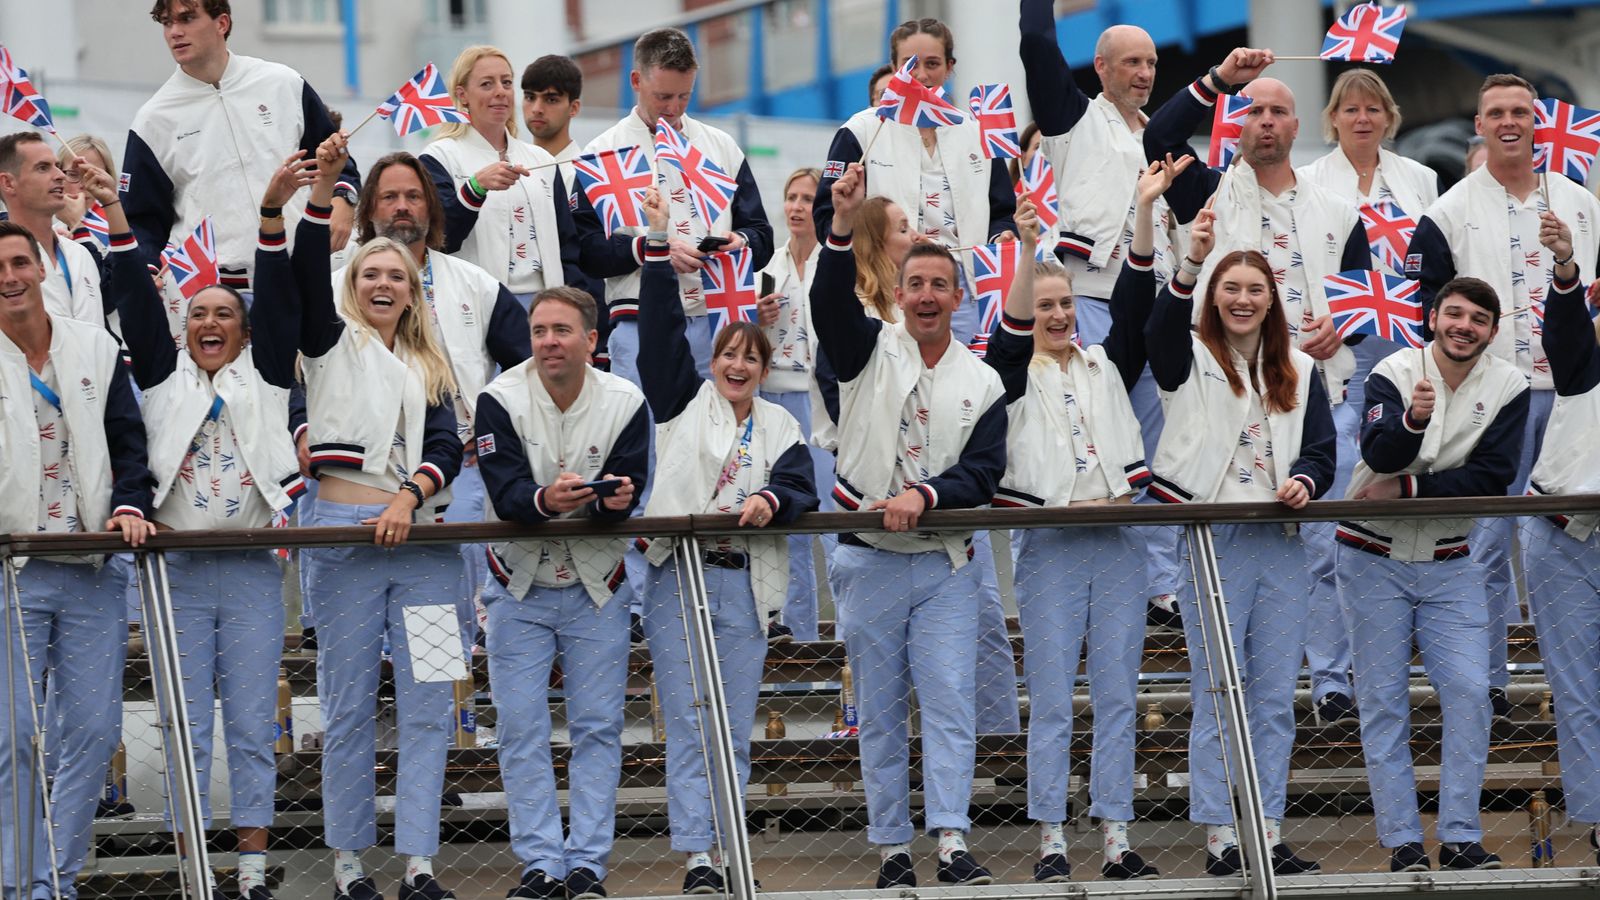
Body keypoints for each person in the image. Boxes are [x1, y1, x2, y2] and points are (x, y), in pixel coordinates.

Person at [259, 132, 464, 900]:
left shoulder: (432, 361)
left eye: (396, 275)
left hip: (432, 549)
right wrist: (316, 200)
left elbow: (446, 441)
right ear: (353, 287)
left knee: (433, 703)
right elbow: (304, 278)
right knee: (345, 707)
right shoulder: (332, 344)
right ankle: (349, 863)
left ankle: (419, 862)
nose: (383, 283)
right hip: (342, 544)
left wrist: (412, 496)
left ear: (412, 290)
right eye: (369, 273)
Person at [102, 149, 309, 900]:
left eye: (225, 312)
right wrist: (119, 215)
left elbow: (283, 297)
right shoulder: (159, 377)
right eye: (199, 313)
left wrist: (271, 213)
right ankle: (195, 869)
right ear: (182, 328)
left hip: (254, 572)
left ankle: (251, 872)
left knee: (253, 724)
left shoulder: (266, 374)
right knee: (182, 724)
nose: (211, 321)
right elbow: (130, 287)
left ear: (244, 331)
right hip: (177, 576)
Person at [813, 162, 1007, 888]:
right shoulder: (864, 348)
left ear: (958, 298)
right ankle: (894, 848)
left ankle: (952, 841)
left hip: (945, 564)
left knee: (950, 702)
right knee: (883, 713)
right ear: (899, 291)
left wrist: (924, 494)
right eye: (915, 284)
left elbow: (983, 474)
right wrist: (840, 222)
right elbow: (829, 300)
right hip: (869, 558)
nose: (926, 296)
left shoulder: (983, 379)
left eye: (939, 286)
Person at [989, 161, 1183, 882]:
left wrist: (1140, 211)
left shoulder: (1104, 362)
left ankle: (1115, 835)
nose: (1061, 315)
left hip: (1120, 543)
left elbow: (1134, 305)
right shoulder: (1004, 375)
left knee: (1116, 696)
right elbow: (1009, 338)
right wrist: (1025, 251)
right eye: (1046, 306)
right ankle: (1049, 839)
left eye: (1066, 303)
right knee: (1050, 702)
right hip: (1051, 547)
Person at [636, 185, 818, 895]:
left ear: (765, 370)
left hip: (744, 584)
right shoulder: (680, 405)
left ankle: (731, 844)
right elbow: (656, 336)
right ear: (712, 360)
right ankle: (697, 858)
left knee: (732, 721)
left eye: (751, 358)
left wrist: (772, 497)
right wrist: (657, 249)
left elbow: (801, 488)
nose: (738, 366)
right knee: (688, 719)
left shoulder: (781, 427)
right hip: (680, 579)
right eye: (728, 354)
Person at [1144, 208, 1335, 877]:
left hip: (1280, 541)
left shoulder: (1302, 370)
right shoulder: (1190, 359)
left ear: (1271, 301)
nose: (1244, 299)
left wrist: (1306, 481)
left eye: (1256, 289)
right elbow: (1157, 329)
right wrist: (1192, 261)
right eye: (1232, 288)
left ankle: (1270, 828)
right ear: (1213, 298)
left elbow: (1322, 452)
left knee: (1276, 694)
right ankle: (1222, 836)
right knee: (1218, 689)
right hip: (1213, 538)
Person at [1405, 73, 1600, 717]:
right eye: (1496, 113)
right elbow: (1421, 319)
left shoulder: (1581, 203)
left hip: (1576, 400)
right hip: (1491, 398)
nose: (1509, 121)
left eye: (1521, 111)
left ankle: (1564, 677)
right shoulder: (1447, 212)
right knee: (1483, 543)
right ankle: (1484, 684)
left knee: (1575, 537)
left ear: (1537, 122)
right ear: (1480, 125)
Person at [1335, 276, 1527, 873]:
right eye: (1453, 314)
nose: (1463, 326)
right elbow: (1380, 451)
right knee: (1383, 702)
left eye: (1477, 319)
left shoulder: (1511, 384)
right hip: (1371, 556)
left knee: (1471, 693)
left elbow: (1493, 477)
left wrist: (1411, 488)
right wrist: (1413, 423)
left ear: (1493, 331)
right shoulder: (1392, 370)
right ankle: (1404, 844)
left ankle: (1462, 837)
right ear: (1434, 317)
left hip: (1452, 562)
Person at [475, 286, 648, 900]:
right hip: (516, 585)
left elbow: (633, 489)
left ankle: (587, 866)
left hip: (597, 586)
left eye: (562, 330)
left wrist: (615, 503)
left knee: (598, 727)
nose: (549, 340)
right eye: (540, 329)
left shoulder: (626, 399)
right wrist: (547, 501)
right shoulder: (498, 398)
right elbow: (505, 493)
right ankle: (542, 864)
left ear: (591, 340)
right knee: (521, 728)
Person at [0, 216, 155, 900]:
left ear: (40, 269)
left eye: (18, 264)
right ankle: (19, 881)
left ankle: (54, 880)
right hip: (14, 572)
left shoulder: (93, 346)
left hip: (93, 569)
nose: (9, 279)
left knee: (93, 733)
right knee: (16, 741)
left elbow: (129, 442)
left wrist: (128, 503)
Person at [1018, 0, 1184, 628]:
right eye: (1132, 61)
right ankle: (1080, 584)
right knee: (1085, 439)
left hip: (1156, 302)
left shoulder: (1162, 135)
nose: (1144, 72)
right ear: (1102, 65)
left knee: (1158, 445)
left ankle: (1159, 585)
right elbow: (1036, 44)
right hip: (1089, 301)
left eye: (1152, 62)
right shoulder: (1073, 119)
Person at [337, 150, 533, 649]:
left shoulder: (473, 283)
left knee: (441, 625)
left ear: (432, 208)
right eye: (389, 197)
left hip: (454, 467)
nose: (402, 207)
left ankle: (445, 723)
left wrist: (493, 436)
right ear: (369, 210)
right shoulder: (336, 279)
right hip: (357, 475)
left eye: (413, 196)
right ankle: (378, 713)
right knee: (357, 637)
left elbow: (528, 368)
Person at [1296, 67, 1441, 726]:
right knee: (1330, 526)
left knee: (1399, 514)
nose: (1362, 118)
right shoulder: (1312, 182)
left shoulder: (1420, 181)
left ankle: (1392, 666)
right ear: (1333, 118)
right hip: (1339, 358)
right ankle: (1329, 675)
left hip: (1407, 357)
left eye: (1372, 108)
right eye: (1350, 108)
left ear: (1389, 115)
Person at [573, 26, 773, 386]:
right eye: (663, 96)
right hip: (640, 322)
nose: (673, 109)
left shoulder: (721, 147)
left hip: (719, 324)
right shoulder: (602, 153)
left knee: (721, 439)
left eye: (685, 96)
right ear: (636, 80)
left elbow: (762, 236)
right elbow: (586, 251)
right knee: (644, 439)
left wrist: (738, 243)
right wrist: (652, 249)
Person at [123, 0, 360, 289]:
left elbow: (336, 157)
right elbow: (141, 218)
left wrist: (343, 200)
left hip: (299, 273)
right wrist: (145, 268)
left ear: (222, 23)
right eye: (166, 22)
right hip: (213, 292)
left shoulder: (283, 83)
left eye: (186, 19)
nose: (174, 32)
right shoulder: (153, 119)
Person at [815, 17, 1018, 330]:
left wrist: (1002, 236)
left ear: (950, 67)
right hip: (886, 289)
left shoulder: (975, 131)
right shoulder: (861, 131)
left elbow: (1003, 212)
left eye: (932, 63)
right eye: (910, 64)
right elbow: (826, 220)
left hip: (965, 290)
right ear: (894, 67)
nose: (921, 75)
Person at [1520, 215, 1600, 867]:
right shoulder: (1583, 365)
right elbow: (1566, 328)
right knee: (1576, 687)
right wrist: (1567, 266)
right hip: (1562, 537)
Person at [421, 45, 588, 308]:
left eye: (507, 82)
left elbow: (568, 247)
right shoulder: (438, 157)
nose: (500, 91)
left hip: (546, 307)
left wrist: (575, 309)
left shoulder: (542, 161)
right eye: (487, 84)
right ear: (462, 95)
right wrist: (474, 189)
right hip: (477, 306)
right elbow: (438, 240)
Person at [758, 166, 831, 642]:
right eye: (791, 196)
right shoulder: (766, 267)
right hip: (773, 397)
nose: (798, 206)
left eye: (807, 198)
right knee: (789, 525)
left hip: (822, 402)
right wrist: (754, 316)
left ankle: (844, 642)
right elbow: (744, 342)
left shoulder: (837, 263)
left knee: (830, 521)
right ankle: (796, 638)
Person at [0, 132, 104, 325]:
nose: (59, 176)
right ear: (8, 183)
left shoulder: (80, 254)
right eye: (42, 168)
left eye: (57, 166)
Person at [521, 54, 584, 181]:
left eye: (551, 100)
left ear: (574, 108)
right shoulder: (511, 169)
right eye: (530, 97)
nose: (536, 109)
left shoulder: (585, 176)